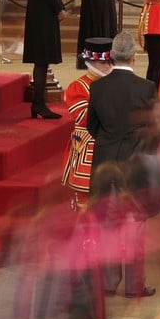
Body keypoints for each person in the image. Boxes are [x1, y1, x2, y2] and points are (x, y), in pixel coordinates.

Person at [87, 31, 160, 297]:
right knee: (134, 226)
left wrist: (109, 144)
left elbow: (91, 126)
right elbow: (156, 131)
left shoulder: (97, 88)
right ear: (134, 56)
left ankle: (109, 282)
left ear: (112, 56)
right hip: (134, 165)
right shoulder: (147, 88)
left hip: (105, 165)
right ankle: (134, 285)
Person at [61, 37, 114, 211]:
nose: (108, 66)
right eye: (103, 62)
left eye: (110, 62)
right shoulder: (78, 87)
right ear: (91, 62)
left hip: (111, 145)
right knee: (86, 202)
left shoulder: (112, 83)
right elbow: (85, 118)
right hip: (88, 146)